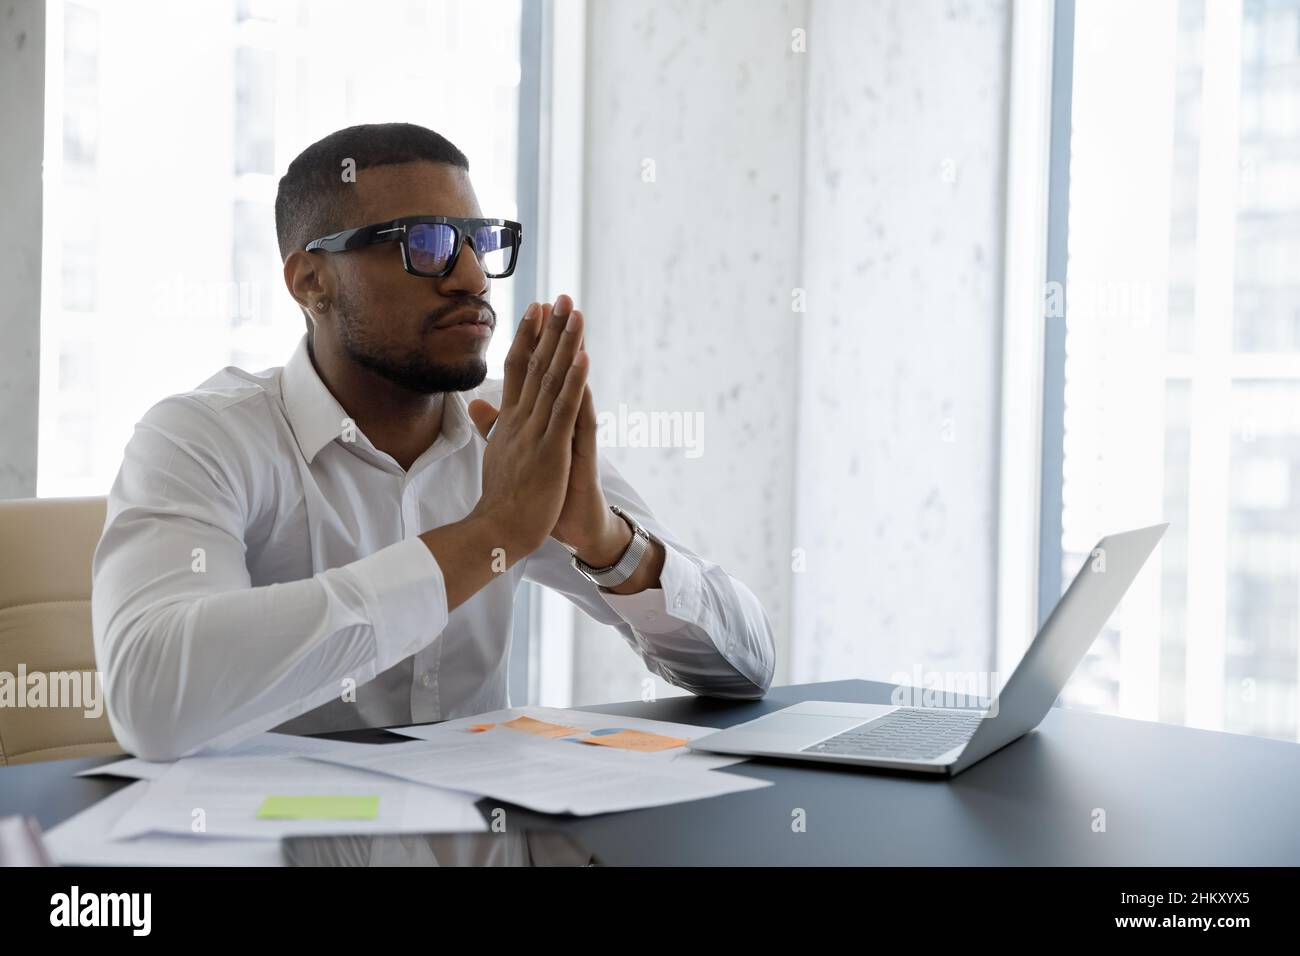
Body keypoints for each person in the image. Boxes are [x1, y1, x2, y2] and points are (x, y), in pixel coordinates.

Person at [91, 122, 775, 761]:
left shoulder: (512, 434)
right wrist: (490, 533)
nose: (473, 279)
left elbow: (747, 667)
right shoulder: (199, 437)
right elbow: (150, 698)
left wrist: (607, 542)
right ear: (311, 280)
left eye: (482, 242)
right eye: (425, 243)